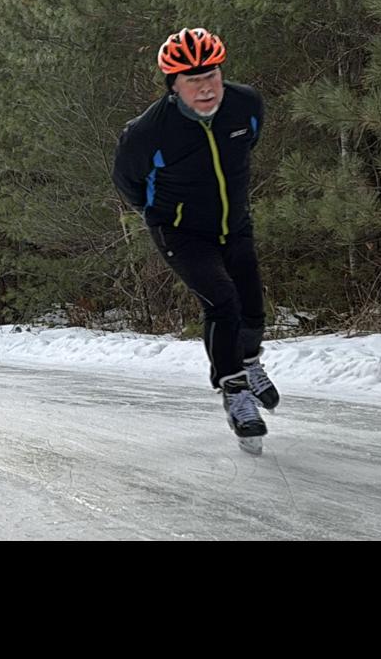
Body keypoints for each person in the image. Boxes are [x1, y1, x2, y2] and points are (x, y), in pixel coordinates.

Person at [113, 27, 280, 452]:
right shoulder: (148, 132)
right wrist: (162, 215)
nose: (205, 88)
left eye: (212, 75)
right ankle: (235, 391)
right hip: (180, 230)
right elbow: (129, 183)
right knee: (222, 302)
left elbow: (248, 146)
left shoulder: (246, 105)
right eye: (192, 80)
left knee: (253, 311)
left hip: (234, 222)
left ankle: (249, 362)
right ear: (174, 86)